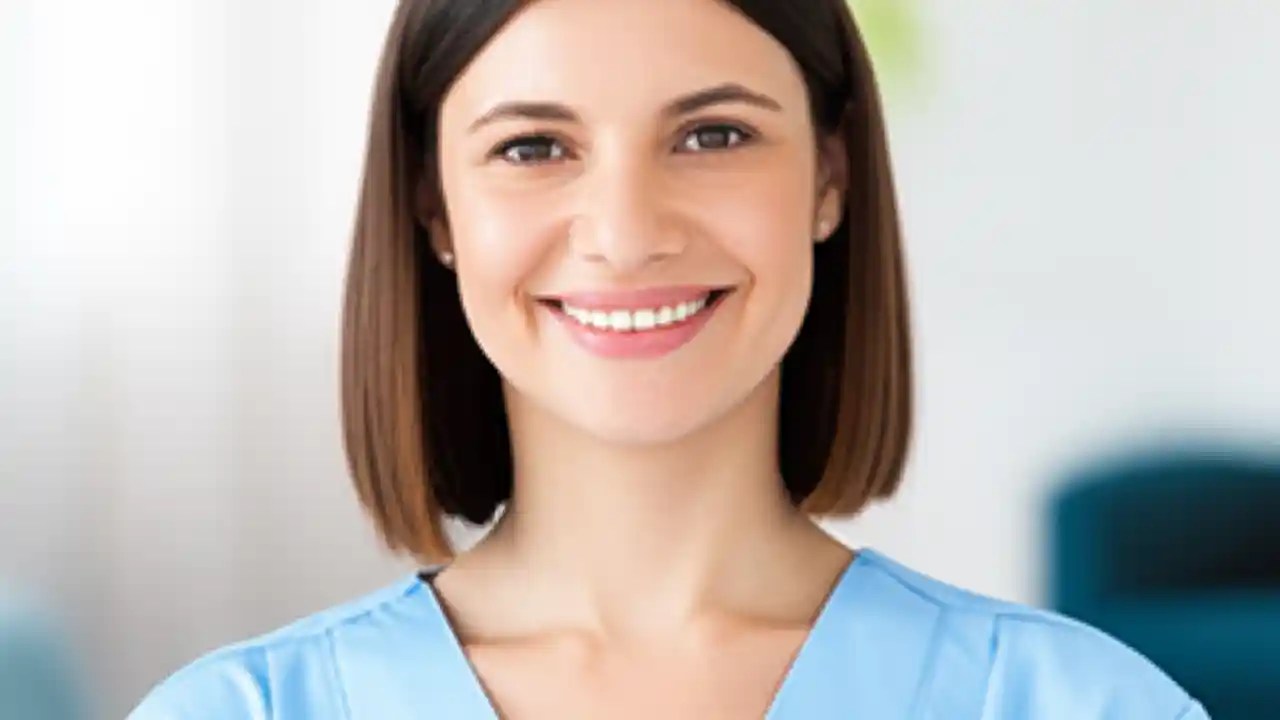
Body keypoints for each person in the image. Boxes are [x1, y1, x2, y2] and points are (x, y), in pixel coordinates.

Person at [129, 0, 1210, 717]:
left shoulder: (1078, 705)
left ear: (829, 177)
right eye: (532, 147)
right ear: (432, 205)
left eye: (711, 136)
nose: (625, 231)